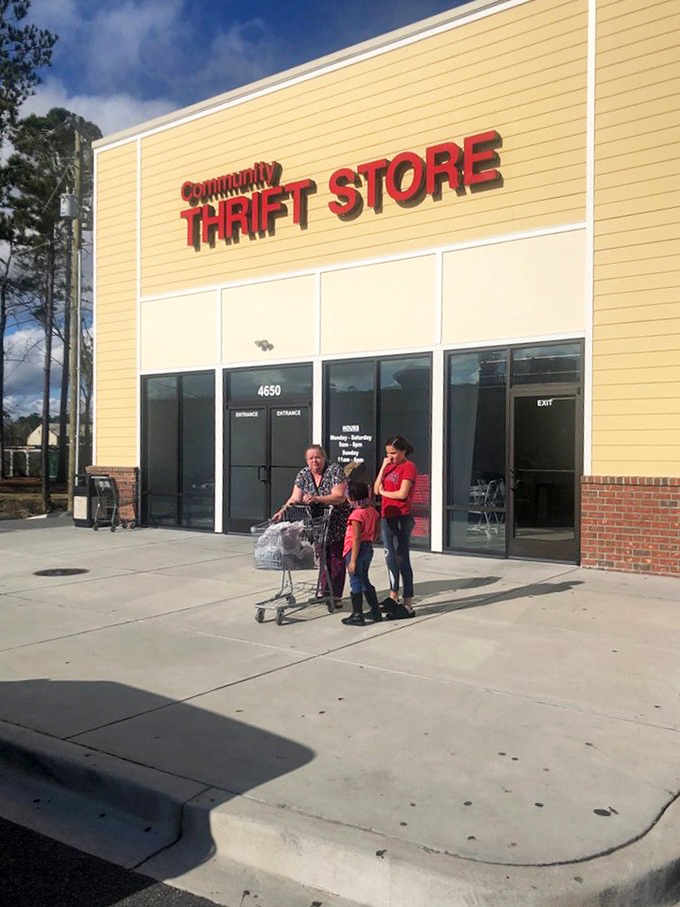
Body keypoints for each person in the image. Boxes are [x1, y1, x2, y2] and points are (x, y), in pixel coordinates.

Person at [274, 445, 349, 607]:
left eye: (318, 457)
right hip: (317, 523)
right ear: (307, 460)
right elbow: (295, 497)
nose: (315, 461)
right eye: (311, 458)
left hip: (336, 520)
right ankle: (323, 592)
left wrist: (317, 498)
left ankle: (335, 596)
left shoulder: (335, 470)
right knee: (321, 556)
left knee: (335, 557)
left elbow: (339, 497)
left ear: (324, 458)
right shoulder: (304, 474)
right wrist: (282, 511)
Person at [374, 435, 417, 619]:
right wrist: (384, 466)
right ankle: (393, 595)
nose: (390, 456)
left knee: (402, 559)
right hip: (387, 516)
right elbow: (376, 489)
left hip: (401, 517)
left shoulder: (408, 467)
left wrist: (384, 492)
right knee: (389, 557)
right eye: (388, 453)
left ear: (403, 451)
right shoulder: (389, 466)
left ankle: (408, 602)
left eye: (393, 453)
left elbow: (402, 493)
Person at [341, 480, 381, 627]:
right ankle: (375, 611)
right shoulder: (371, 511)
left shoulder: (356, 515)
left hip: (355, 550)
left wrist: (353, 560)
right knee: (365, 578)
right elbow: (377, 527)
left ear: (352, 497)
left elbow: (356, 537)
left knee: (355, 581)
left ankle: (357, 615)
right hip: (368, 548)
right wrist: (374, 537)